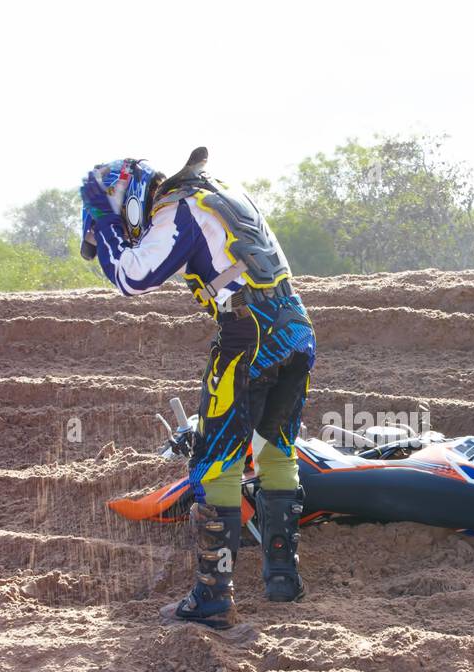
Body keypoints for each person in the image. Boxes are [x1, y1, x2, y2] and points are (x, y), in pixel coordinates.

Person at [79, 149, 315, 629]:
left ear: (128, 198)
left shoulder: (177, 208)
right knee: (277, 451)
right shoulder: (218, 194)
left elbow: (132, 277)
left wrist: (100, 222)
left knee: (215, 462)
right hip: (297, 328)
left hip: (248, 334)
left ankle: (212, 599)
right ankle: (283, 581)